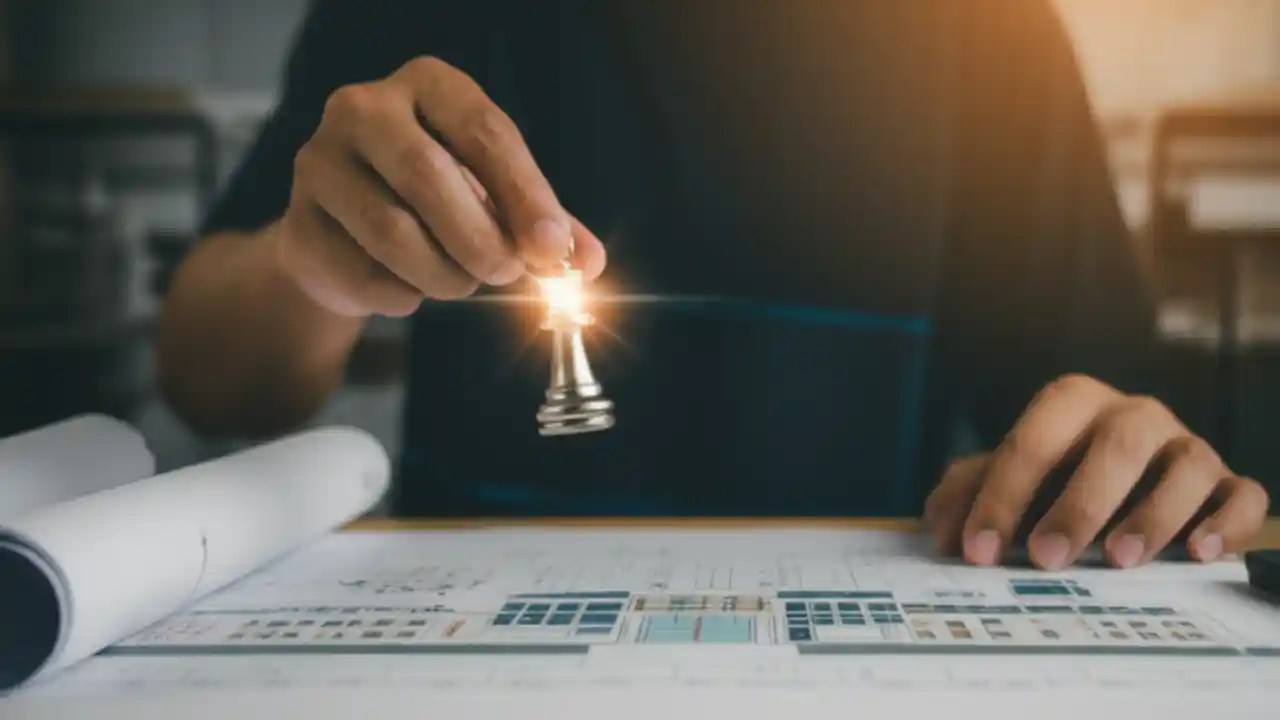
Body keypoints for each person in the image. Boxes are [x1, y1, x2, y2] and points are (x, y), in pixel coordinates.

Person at [157, 0, 1268, 570]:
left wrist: (1125, 447)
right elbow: (212, 383)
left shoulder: (987, 33)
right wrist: (313, 273)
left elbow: (1102, 416)